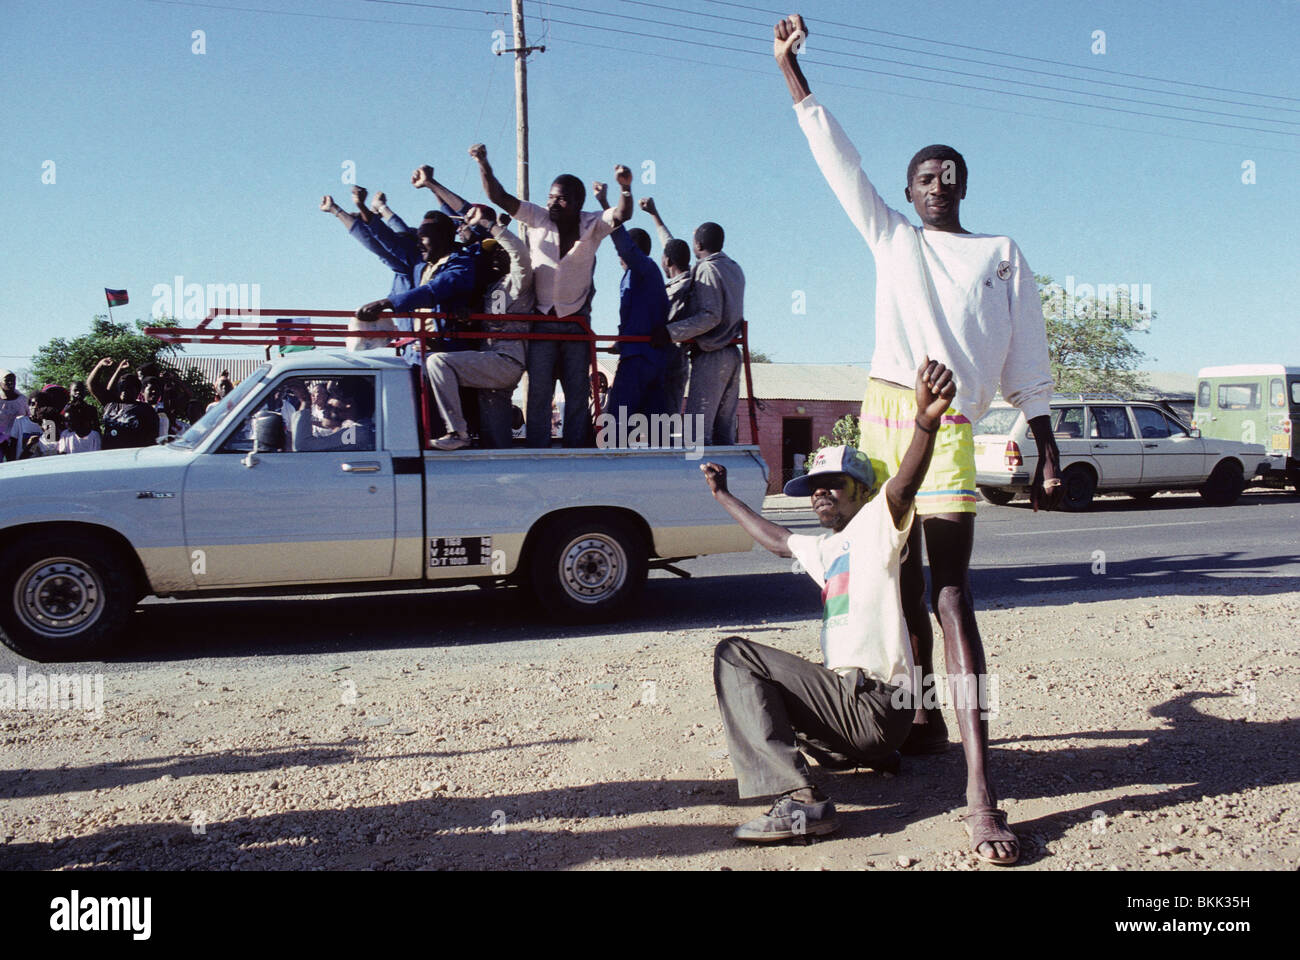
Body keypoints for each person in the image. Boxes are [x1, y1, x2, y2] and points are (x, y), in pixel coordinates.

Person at [771, 14, 1063, 864]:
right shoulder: (890, 235)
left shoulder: (1001, 254)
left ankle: (981, 794)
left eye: (951, 172)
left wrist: (1045, 443)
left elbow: (1026, 357)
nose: (938, 181)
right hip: (889, 410)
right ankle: (919, 718)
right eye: (925, 173)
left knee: (950, 597)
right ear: (910, 190)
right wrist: (791, 71)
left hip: (956, 425)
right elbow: (838, 162)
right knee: (892, 589)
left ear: (964, 185)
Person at [703, 359, 955, 842]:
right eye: (814, 487)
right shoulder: (826, 549)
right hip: (857, 715)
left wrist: (926, 421)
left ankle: (801, 803)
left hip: (876, 702)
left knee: (735, 655)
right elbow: (776, 538)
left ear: (862, 492)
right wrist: (723, 497)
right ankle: (860, 755)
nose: (820, 493)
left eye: (834, 484)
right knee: (767, 698)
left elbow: (903, 485)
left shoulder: (877, 527)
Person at [470, 142, 632, 447]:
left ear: (578, 202)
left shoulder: (592, 224)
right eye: (550, 197)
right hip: (541, 322)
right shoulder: (538, 217)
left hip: (576, 324)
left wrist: (625, 188)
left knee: (575, 392)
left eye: (561, 199)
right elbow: (499, 197)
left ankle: (573, 451)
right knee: (539, 393)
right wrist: (484, 163)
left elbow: (623, 214)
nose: (553, 203)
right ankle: (538, 451)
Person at [419, 205, 534, 451]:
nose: (494, 259)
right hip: (490, 360)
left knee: (438, 363)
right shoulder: (488, 290)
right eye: (490, 255)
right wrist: (469, 316)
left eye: (499, 253)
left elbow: (519, 253)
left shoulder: (517, 282)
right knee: (494, 439)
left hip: (506, 359)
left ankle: (458, 433)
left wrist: (491, 226)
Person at [658, 220, 745, 445]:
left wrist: (669, 332)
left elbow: (710, 316)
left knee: (696, 434)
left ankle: (699, 479)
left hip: (712, 354)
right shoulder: (734, 267)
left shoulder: (707, 269)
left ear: (698, 245)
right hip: (732, 353)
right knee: (723, 431)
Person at [591, 183, 671, 427]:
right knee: (653, 428)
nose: (618, 257)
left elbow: (623, 243)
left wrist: (605, 204)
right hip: (647, 357)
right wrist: (620, 342)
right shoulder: (640, 277)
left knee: (615, 426)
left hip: (639, 359)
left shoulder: (644, 268)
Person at [639, 197, 693, 415]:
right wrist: (654, 214)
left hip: (672, 361)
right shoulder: (688, 278)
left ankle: (666, 449)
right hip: (664, 360)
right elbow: (669, 243)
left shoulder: (682, 288)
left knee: (665, 416)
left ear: (667, 262)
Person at [86, 357, 160, 450]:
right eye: (122, 387)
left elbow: (152, 440)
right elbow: (92, 384)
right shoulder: (111, 404)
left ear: (137, 390)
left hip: (131, 456)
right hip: (109, 454)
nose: (124, 390)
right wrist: (100, 366)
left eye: (129, 387)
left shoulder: (145, 410)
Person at [0, 369, 29, 462]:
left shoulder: (22, 400)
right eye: (7, 380)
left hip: (19, 439)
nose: (11, 383)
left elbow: (29, 416)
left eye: (13, 380)